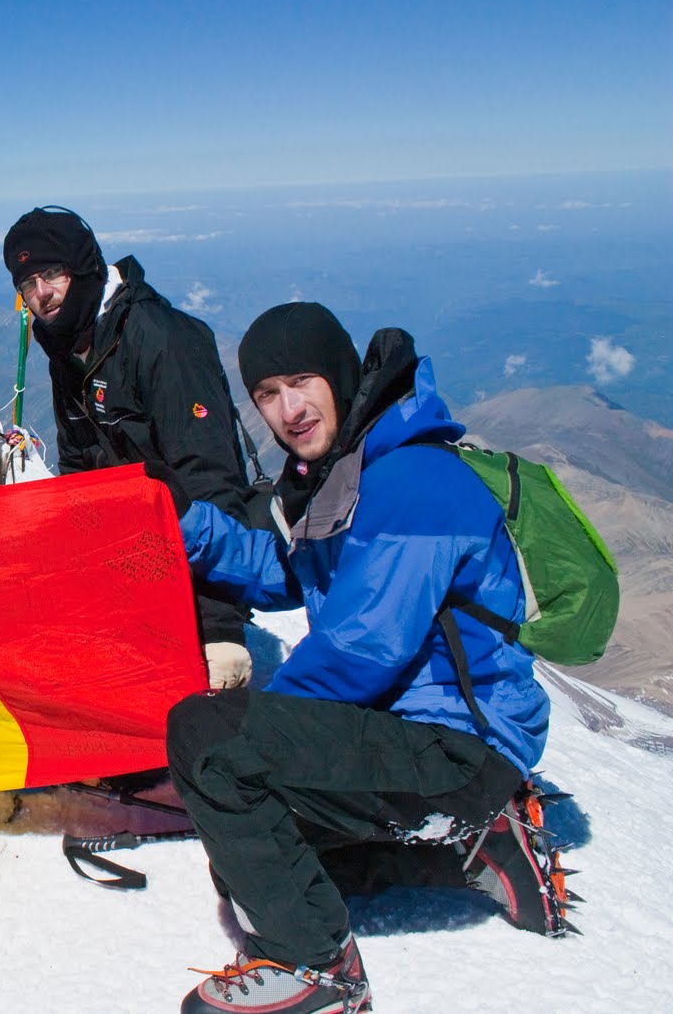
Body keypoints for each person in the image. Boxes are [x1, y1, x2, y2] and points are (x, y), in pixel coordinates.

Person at [164, 303, 557, 1013]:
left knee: (213, 743)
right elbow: (286, 571)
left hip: (459, 747)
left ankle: (320, 969)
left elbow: (360, 649)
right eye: (266, 394)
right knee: (248, 855)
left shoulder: (411, 483)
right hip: (417, 740)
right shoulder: (346, 473)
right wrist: (182, 525)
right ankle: (472, 847)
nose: (288, 408)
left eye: (299, 380)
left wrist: (249, 729)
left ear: (339, 375)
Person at [3, 207, 267, 689]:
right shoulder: (68, 349)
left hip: (196, 586)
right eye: (26, 283)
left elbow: (209, 480)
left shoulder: (164, 341)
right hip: (137, 580)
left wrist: (218, 626)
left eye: (51, 273)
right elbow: (80, 472)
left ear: (82, 267)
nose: (41, 293)